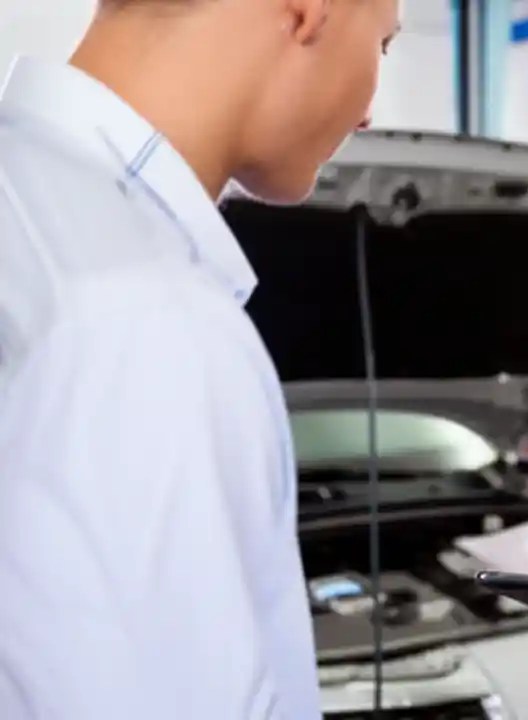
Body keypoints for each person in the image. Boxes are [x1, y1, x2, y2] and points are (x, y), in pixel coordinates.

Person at [0, 0, 400, 717]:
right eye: (385, 45)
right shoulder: (140, 314)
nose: (368, 109)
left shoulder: (30, 207)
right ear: (312, 10)